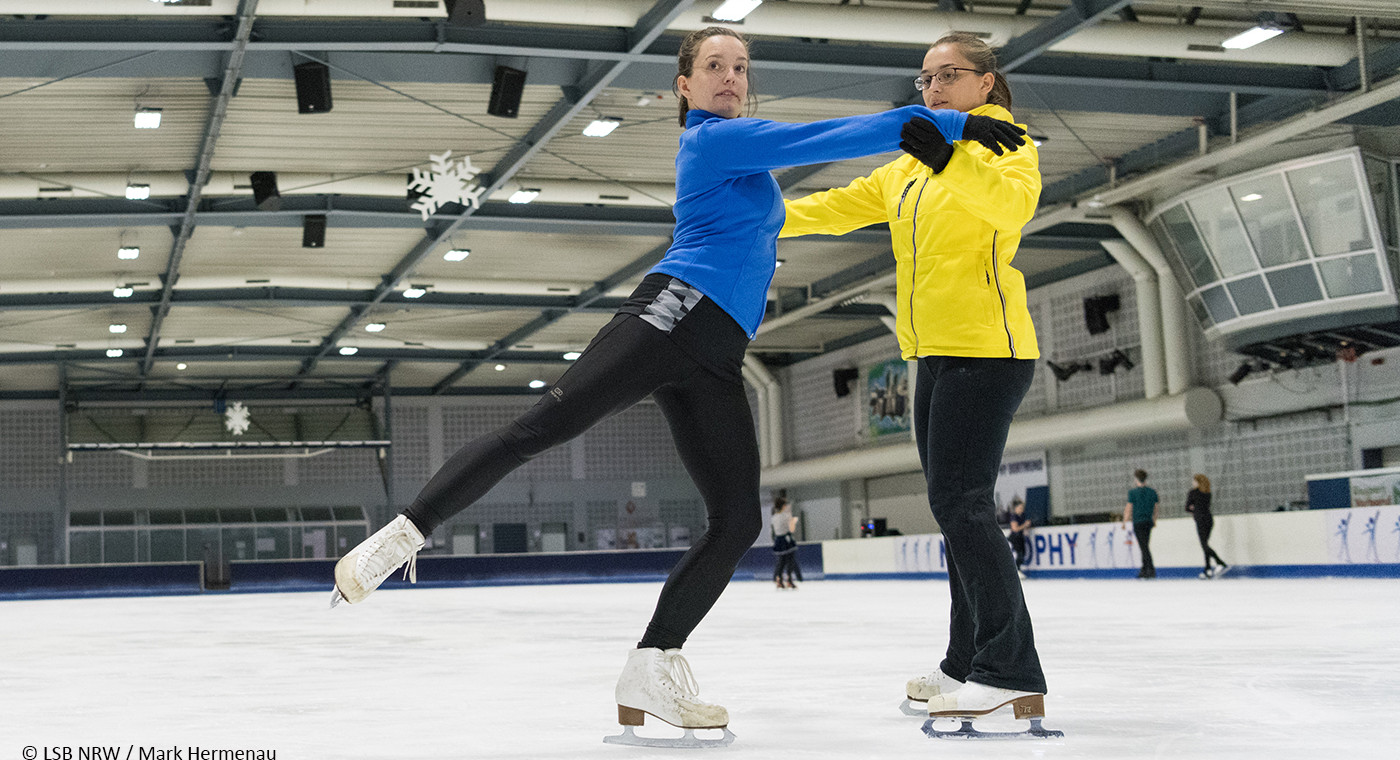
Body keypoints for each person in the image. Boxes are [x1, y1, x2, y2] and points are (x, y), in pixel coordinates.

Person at [329, 26, 1024, 748]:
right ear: (684, 88)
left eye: (741, 67)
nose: (730, 77)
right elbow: (822, 137)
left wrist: (951, 163)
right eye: (714, 67)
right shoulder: (713, 141)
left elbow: (803, 202)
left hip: (717, 356)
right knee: (543, 429)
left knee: (737, 522)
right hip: (668, 317)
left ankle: (652, 665)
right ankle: (403, 535)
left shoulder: (744, 165)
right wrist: (952, 121)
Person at [781, 32, 1053, 736]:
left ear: (987, 83)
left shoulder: (1005, 145)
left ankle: (1009, 671)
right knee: (952, 508)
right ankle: (965, 661)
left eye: (948, 75)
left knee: (963, 505)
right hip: (932, 355)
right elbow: (838, 206)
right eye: (924, 79)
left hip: (989, 349)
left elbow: (1010, 210)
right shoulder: (907, 169)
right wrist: (755, 217)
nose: (932, 90)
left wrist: (951, 159)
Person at [1185, 473, 1229, 579]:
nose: (1192, 483)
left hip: (1200, 520)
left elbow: (1187, 507)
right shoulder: (1208, 493)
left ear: (1198, 482)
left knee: (1204, 545)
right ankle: (1207, 569)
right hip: (1209, 520)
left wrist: (1193, 508)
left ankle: (1220, 562)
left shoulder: (1193, 492)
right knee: (1205, 545)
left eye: (1194, 481)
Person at [1123, 468, 1158, 579]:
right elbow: (1156, 509)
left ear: (1136, 479)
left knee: (1144, 546)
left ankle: (1150, 569)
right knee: (1145, 544)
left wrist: (1125, 521)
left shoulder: (1132, 493)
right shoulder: (1152, 492)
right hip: (1148, 522)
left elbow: (1129, 508)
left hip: (1138, 522)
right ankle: (1144, 569)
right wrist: (1154, 520)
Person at [771, 495, 800, 589]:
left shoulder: (774, 517)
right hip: (786, 539)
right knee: (790, 560)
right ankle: (789, 579)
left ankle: (779, 579)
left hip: (778, 540)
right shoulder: (786, 516)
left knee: (781, 561)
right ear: (783, 506)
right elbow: (791, 529)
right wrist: (794, 521)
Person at [1008, 497, 1030, 580]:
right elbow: (1015, 529)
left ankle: (1018, 569)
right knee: (1018, 554)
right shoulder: (1014, 517)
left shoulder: (1023, 516)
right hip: (1015, 538)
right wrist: (1024, 525)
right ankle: (1017, 570)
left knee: (1022, 554)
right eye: (1020, 508)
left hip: (1020, 538)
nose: (1022, 509)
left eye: (1022, 508)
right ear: (1016, 509)